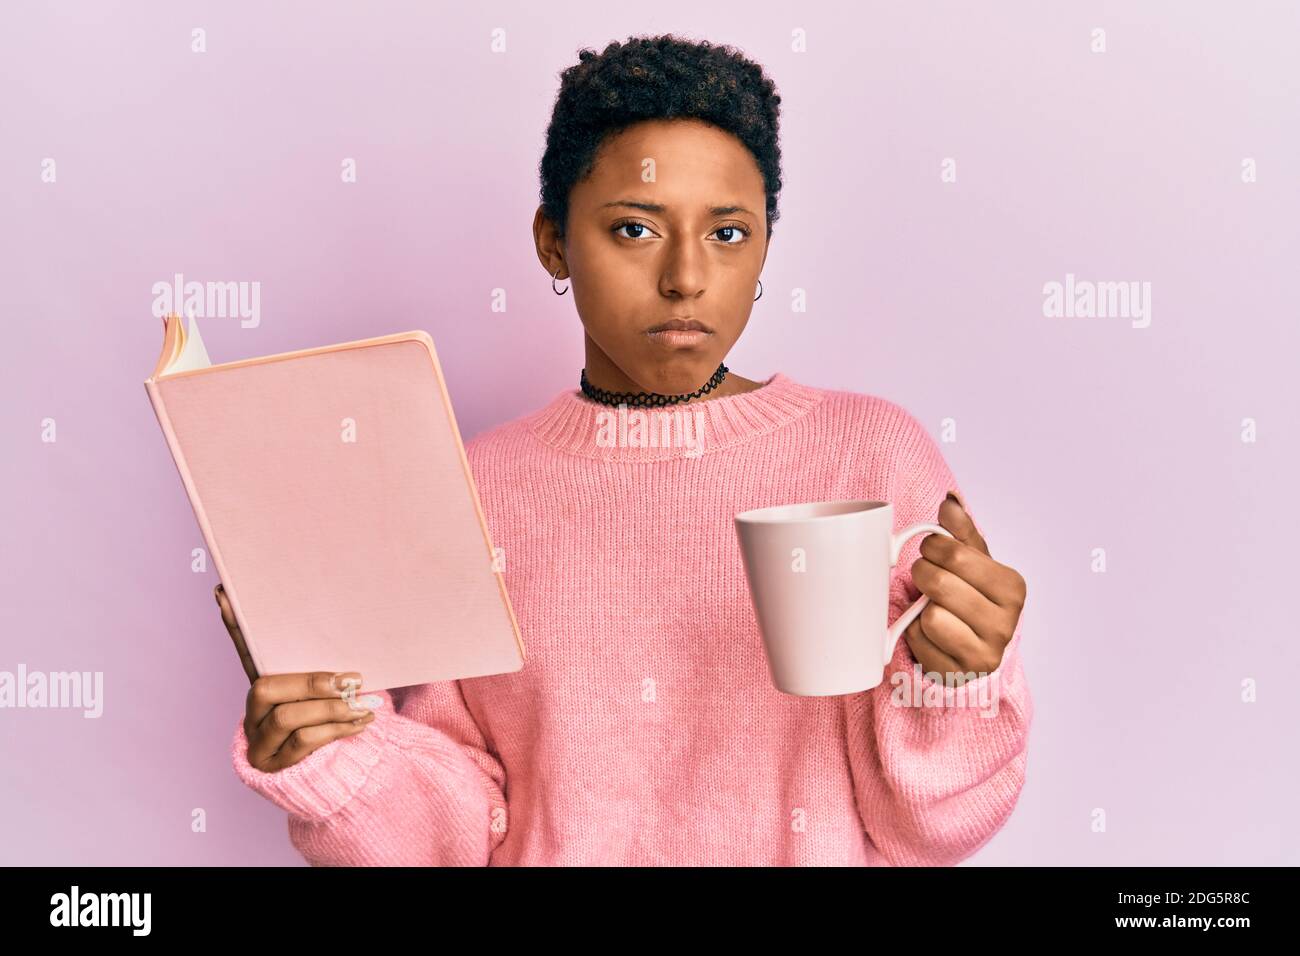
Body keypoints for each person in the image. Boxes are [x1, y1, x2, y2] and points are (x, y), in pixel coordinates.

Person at [222, 33, 1033, 866]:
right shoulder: (475, 489)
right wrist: (330, 756)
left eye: (727, 233)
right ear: (554, 243)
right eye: (636, 228)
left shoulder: (869, 458)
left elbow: (927, 830)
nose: (686, 276)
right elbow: (455, 836)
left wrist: (957, 678)